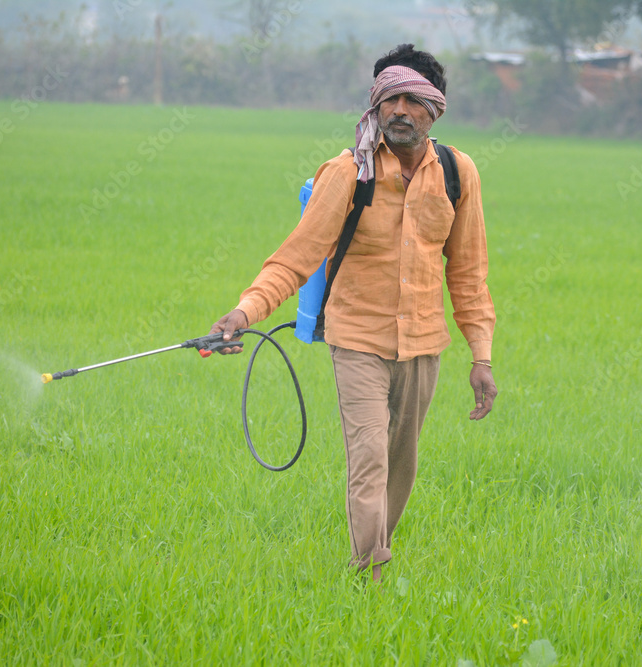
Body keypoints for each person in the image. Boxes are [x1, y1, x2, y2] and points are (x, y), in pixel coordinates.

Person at [210, 43, 497, 581]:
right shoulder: (348, 172)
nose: (400, 112)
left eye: (413, 101)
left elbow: (469, 273)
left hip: (423, 346)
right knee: (369, 459)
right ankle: (370, 572)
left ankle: (374, 557)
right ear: (375, 105)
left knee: (400, 467)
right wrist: (243, 313)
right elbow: (296, 257)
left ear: (435, 109)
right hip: (357, 340)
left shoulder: (458, 173)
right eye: (389, 100)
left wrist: (481, 357)